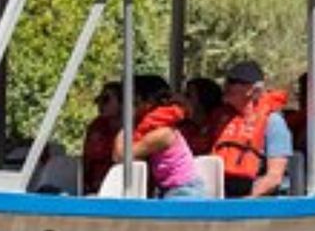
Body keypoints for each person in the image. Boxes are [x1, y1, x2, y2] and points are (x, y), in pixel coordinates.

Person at [204, 60, 291, 198]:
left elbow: (274, 177)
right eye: (227, 81)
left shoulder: (273, 122)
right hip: (219, 195)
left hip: (253, 201)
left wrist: (246, 201)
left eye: (233, 82)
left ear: (252, 90)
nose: (226, 86)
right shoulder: (221, 118)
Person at [114, 76, 206, 199]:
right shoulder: (153, 128)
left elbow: (120, 156)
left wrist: (126, 122)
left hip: (184, 191)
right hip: (168, 190)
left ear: (146, 102)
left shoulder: (163, 133)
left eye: (133, 102)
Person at [80, 81, 123, 195]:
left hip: (121, 187)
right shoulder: (96, 126)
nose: (100, 104)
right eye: (99, 100)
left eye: (106, 100)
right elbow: (87, 160)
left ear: (123, 102)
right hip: (94, 188)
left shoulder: (133, 128)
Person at [180, 76, 222, 154]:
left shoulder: (216, 126)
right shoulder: (182, 125)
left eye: (188, 95)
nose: (182, 99)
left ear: (203, 100)